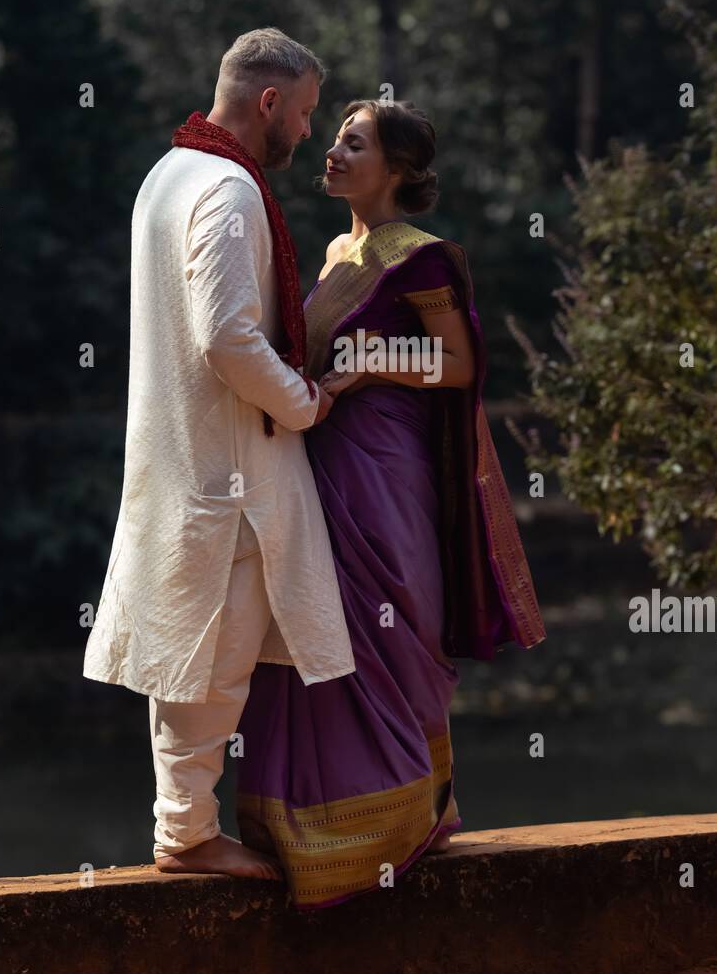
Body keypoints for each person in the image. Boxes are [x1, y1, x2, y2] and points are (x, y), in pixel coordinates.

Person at [234, 98, 547, 908]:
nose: (332, 152)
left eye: (354, 143)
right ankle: (316, 833)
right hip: (320, 464)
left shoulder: (423, 257)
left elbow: (459, 364)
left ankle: (402, 817)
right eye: (334, 138)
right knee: (315, 631)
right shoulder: (339, 253)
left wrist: (367, 365)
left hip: (385, 473)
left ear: (399, 169)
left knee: (389, 626)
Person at [83, 28, 355, 880]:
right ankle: (186, 836)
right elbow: (229, 341)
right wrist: (306, 400)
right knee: (212, 661)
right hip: (225, 467)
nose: (309, 134)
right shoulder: (231, 192)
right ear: (268, 101)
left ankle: (183, 828)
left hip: (182, 456)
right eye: (306, 114)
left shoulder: (168, 175)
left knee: (189, 654)